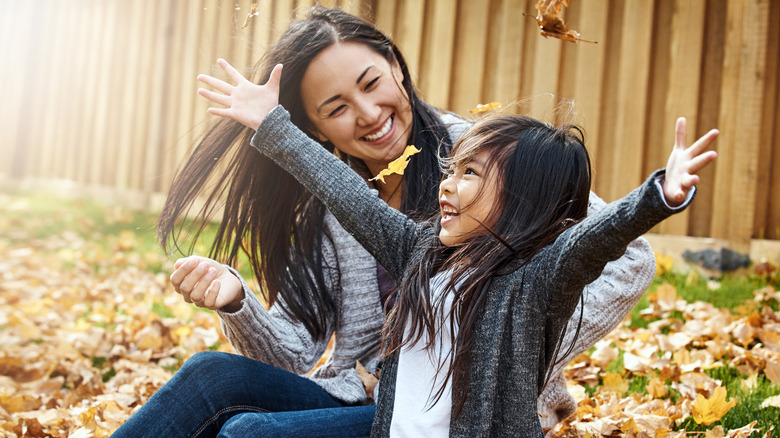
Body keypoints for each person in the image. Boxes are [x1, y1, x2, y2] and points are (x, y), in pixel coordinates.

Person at [112, 6, 655, 437]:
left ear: (395, 66)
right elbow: (293, 350)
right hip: (364, 397)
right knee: (211, 379)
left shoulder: (486, 162)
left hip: (463, 415)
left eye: (371, 83)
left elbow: (629, 254)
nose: (368, 113)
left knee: (249, 433)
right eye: (337, 107)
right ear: (316, 131)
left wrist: (501, 346)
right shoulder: (325, 203)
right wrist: (236, 299)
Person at [198, 59, 718, 436]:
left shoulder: (534, 286)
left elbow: (595, 241)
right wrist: (272, 125)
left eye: (470, 173)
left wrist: (658, 197)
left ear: (523, 202)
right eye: (451, 169)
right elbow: (349, 194)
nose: (446, 184)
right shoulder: (416, 251)